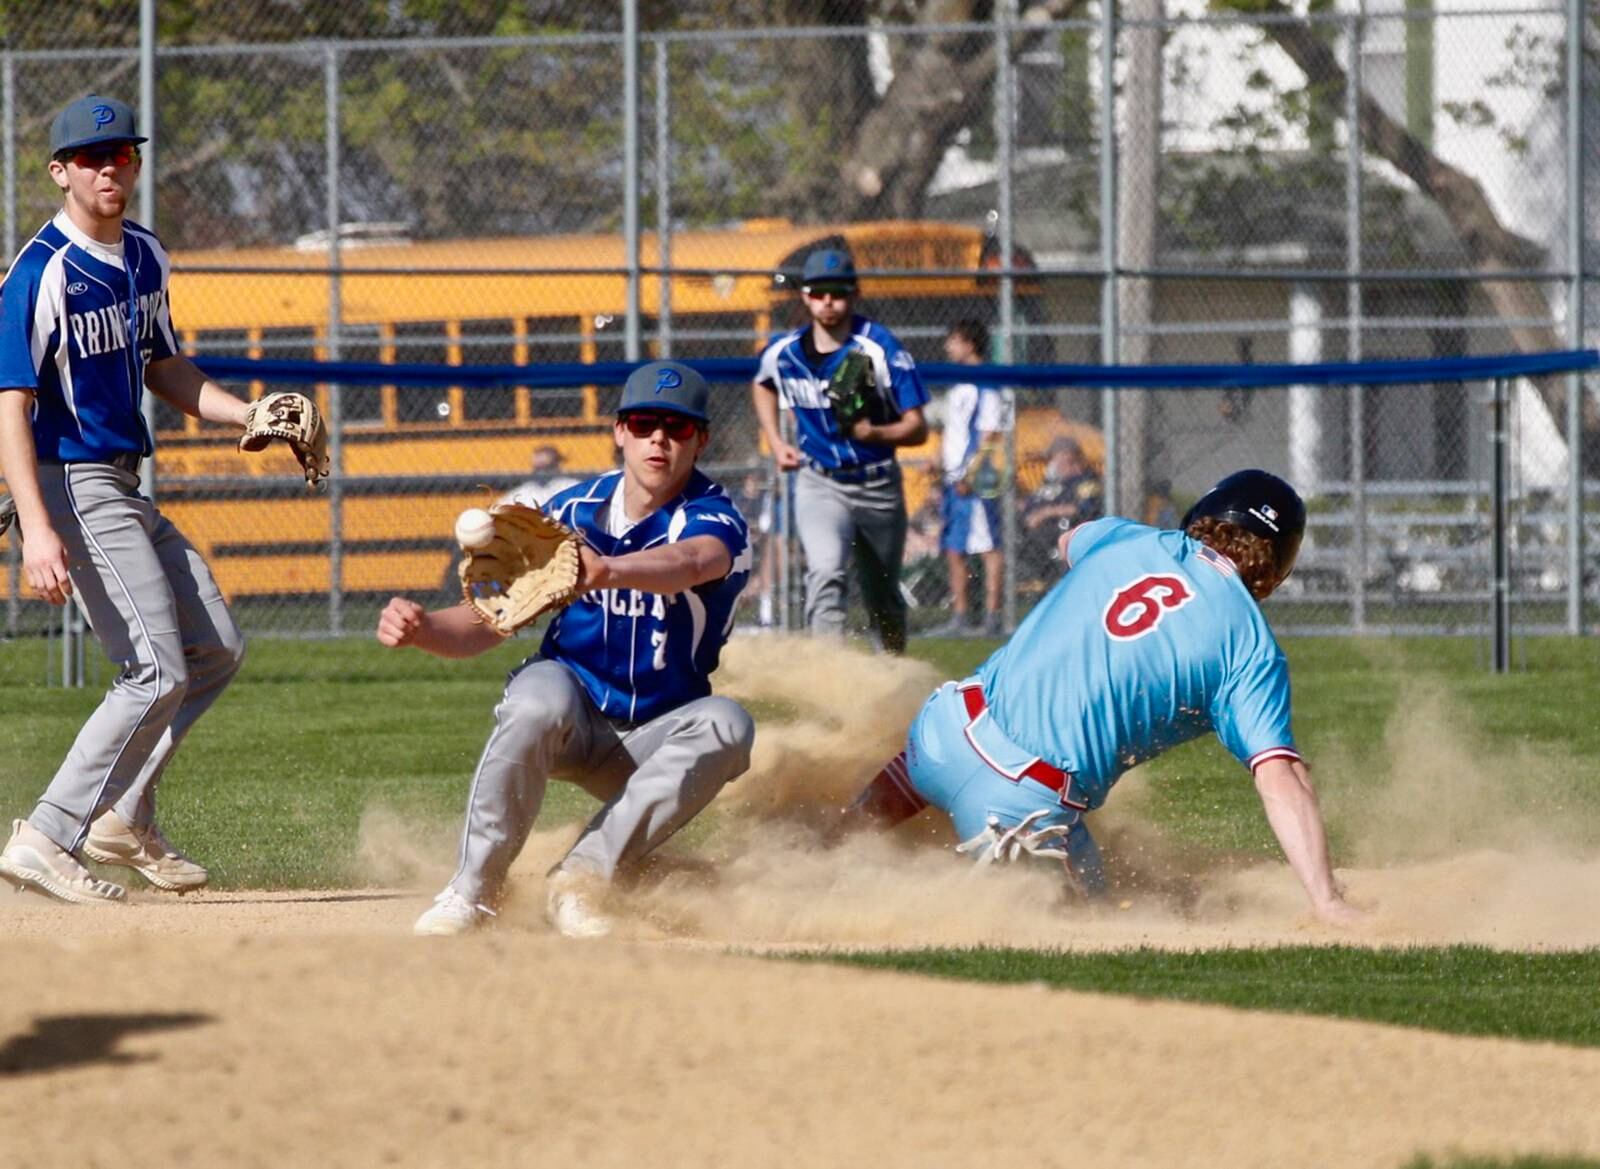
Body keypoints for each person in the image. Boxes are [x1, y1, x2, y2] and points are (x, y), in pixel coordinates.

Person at [837, 470, 1361, 926]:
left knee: (843, 842)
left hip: (940, 734)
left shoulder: (1137, 542)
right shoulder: (1250, 647)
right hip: (1018, 810)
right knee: (1101, 930)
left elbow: (1072, 542)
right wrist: (1326, 898)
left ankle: (821, 848)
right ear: (1278, 567)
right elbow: (1281, 778)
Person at [379, 361, 755, 938]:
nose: (659, 437)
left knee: (728, 724)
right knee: (537, 696)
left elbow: (690, 562)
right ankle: (473, 890)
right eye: (645, 421)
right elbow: (492, 620)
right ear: (619, 432)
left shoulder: (714, 515)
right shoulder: (569, 514)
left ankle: (576, 882)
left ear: (701, 439)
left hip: (653, 738)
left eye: (678, 428)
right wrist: (425, 628)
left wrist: (607, 570)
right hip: (570, 716)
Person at [0, 95, 268, 903]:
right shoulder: (39, 272)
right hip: (70, 480)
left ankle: (121, 814)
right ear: (60, 173)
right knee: (152, 668)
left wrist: (245, 412)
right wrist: (37, 531)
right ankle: (47, 834)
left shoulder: (146, 254)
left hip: (121, 478)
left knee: (213, 647)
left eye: (121, 153)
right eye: (91, 157)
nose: (109, 167)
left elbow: (165, 367)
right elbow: (8, 403)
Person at [751, 248, 929, 654]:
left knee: (881, 594)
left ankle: (892, 675)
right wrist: (777, 443)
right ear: (804, 297)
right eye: (817, 292)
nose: (827, 301)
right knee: (826, 573)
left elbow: (917, 427)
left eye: (838, 292)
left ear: (854, 294)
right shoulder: (785, 351)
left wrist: (874, 432)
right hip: (820, 482)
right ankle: (827, 676)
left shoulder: (879, 347)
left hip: (877, 484)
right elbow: (761, 382)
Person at [930, 319, 1011, 637]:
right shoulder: (958, 385)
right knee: (954, 548)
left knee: (989, 546)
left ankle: (992, 617)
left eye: (953, 341)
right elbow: (955, 429)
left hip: (974, 481)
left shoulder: (986, 383)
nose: (948, 347)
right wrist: (937, 460)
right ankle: (960, 617)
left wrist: (971, 474)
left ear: (969, 344)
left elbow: (990, 434)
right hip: (953, 478)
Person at [1019, 436, 1103, 577]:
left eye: (1056, 459)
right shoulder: (1052, 481)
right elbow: (1033, 501)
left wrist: (1045, 513)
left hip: (1060, 531)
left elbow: (1082, 509)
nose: (1053, 464)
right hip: (1030, 531)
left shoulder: (1085, 480)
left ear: (1069, 458)